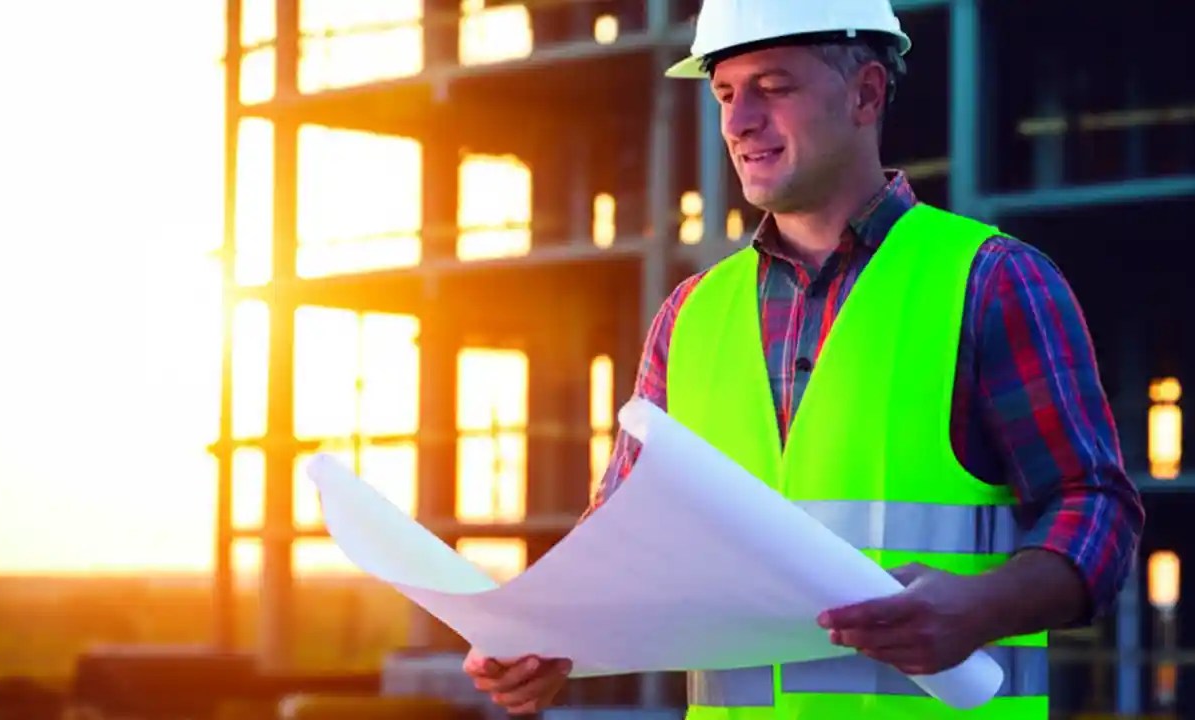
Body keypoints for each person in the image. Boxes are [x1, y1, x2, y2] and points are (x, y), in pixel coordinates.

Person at [463, 0, 1145, 717]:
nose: (737, 121)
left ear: (866, 93)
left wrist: (981, 607)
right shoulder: (690, 316)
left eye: (773, 86)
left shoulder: (991, 281)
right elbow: (621, 535)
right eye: (725, 93)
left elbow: (1095, 508)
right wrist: (540, 634)